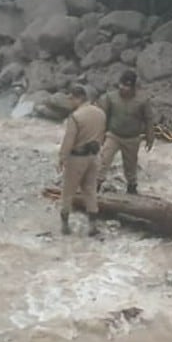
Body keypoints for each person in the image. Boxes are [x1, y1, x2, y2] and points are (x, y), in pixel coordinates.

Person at [97, 71, 156, 195]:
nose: (123, 89)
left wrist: (150, 137)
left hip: (132, 138)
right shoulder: (110, 97)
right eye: (122, 85)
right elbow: (104, 117)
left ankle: (132, 188)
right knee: (104, 160)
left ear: (133, 87)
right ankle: (96, 185)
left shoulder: (142, 101)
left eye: (127, 86)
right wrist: (100, 135)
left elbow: (149, 120)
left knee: (130, 165)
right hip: (113, 135)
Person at [59, 84, 106, 237]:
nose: (70, 102)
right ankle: (92, 225)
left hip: (77, 157)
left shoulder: (76, 117)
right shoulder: (100, 113)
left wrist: (62, 158)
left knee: (68, 192)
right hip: (94, 156)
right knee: (90, 191)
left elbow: (68, 140)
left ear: (78, 98)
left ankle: (65, 225)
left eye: (71, 98)